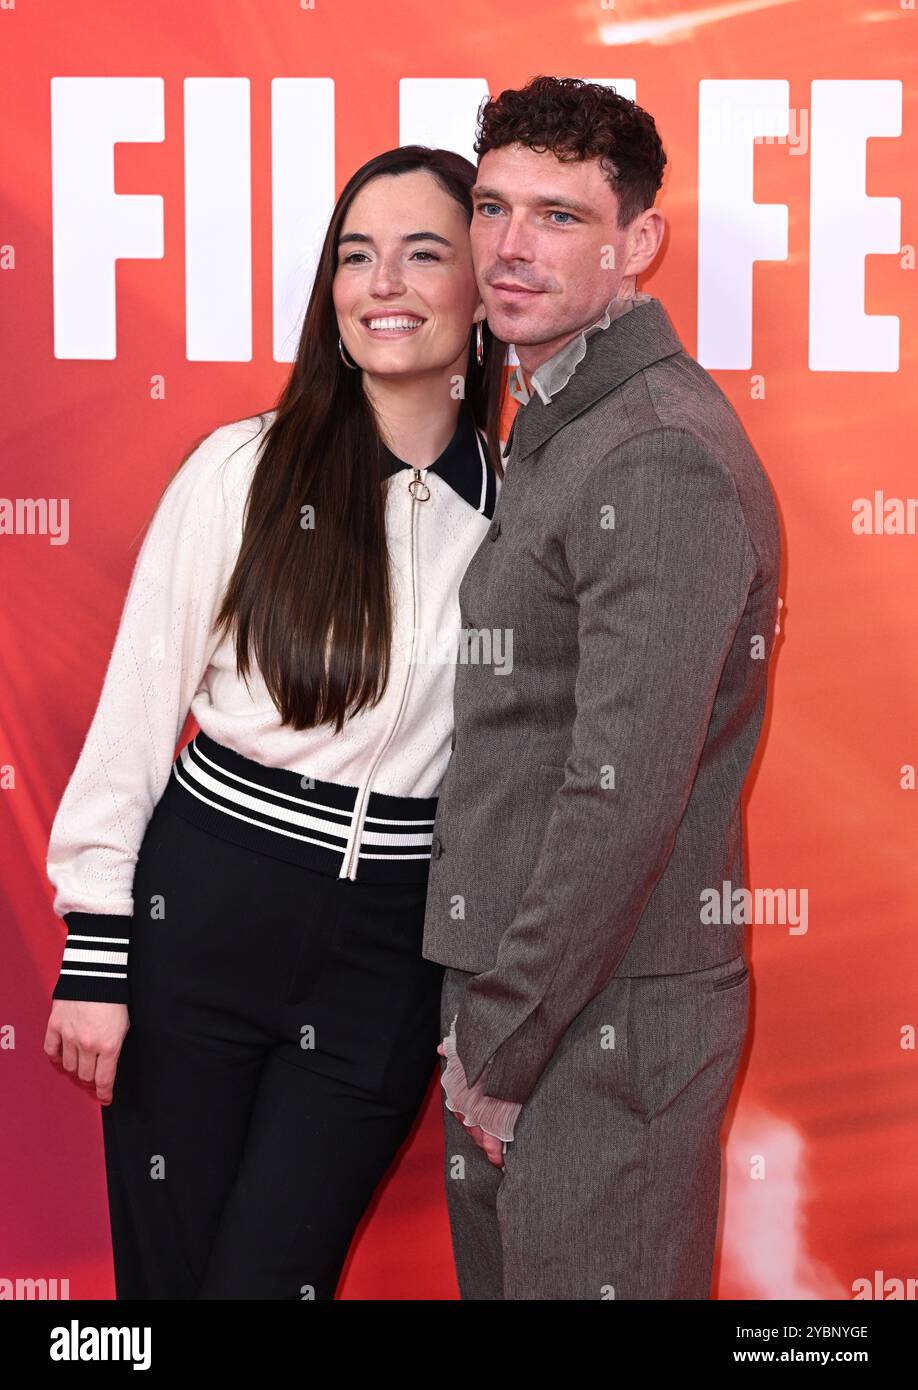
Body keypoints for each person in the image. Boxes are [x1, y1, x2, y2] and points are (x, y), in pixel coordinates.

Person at [42, 145, 506, 1300]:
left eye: (421, 253)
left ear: (484, 288)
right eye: (356, 256)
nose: (382, 283)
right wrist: (99, 950)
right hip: (203, 915)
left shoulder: (525, 511)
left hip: (386, 958)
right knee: (169, 1284)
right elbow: (135, 713)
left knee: (267, 1280)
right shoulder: (240, 469)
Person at [423, 76, 782, 1299]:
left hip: (593, 1026)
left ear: (638, 244)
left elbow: (618, 797)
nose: (510, 248)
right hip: (536, 1006)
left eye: (560, 217)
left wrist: (504, 1040)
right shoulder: (564, 418)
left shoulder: (657, 451)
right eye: (492, 207)